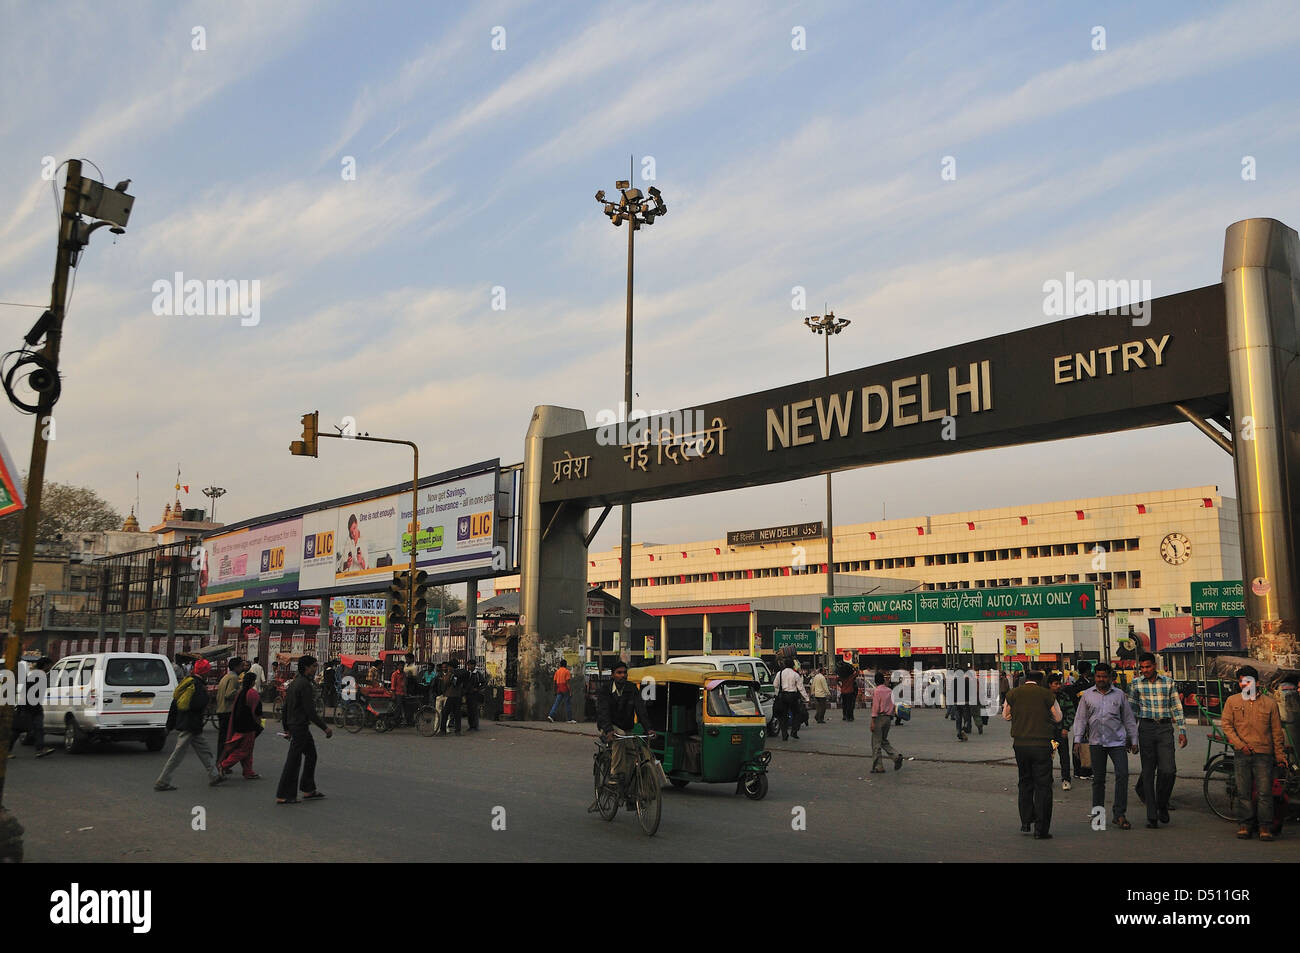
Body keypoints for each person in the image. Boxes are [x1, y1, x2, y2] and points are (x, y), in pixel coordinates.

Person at [1221, 665, 1287, 841]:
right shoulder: (1232, 702)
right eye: (1241, 681)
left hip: (1264, 754)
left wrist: (1280, 756)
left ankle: (1265, 827)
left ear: (1257, 683)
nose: (1244, 684)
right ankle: (1245, 825)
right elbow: (1227, 726)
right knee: (1243, 791)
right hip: (1242, 753)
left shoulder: (1270, 704)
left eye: (1248, 681)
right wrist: (1240, 745)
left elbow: (1276, 732)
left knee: (1265, 793)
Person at [1073, 662, 1138, 829]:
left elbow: (1129, 719)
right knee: (1098, 780)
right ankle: (1098, 816)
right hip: (1096, 743)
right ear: (1095, 677)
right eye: (1098, 676)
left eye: (1104, 676)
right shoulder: (1087, 695)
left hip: (1117, 742)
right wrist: (1077, 740)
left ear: (1110, 677)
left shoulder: (1120, 695)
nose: (1101, 679)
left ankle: (1119, 814)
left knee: (1122, 775)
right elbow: (1080, 719)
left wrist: (1134, 740)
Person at [1127, 652, 1187, 828]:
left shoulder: (1168, 682)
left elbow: (1177, 707)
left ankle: (1162, 804)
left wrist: (1182, 730)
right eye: (1142, 667)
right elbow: (1132, 711)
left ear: (1154, 666)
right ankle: (1151, 815)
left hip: (1165, 728)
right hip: (1145, 729)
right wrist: (1131, 737)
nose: (1145, 670)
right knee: (1147, 771)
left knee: (1168, 770)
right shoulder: (1136, 684)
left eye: (1148, 667)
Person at [1003, 670, 1062, 839]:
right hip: (1042, 745)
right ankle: (1041, 829)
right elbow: (1058, 717)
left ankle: (1026, 821)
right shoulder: (1046, 694)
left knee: (1025, 781)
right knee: (1043, 786)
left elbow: (1006, 716)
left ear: (1025, 680)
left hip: (1020, 745)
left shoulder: (1013, 693)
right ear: (1041, 680)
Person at [155, 659, 225, 791]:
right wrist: (206, 698)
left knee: (205, 752)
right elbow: (198, 705)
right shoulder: (198, 686)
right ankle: (163, 780)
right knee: (177, 755)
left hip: (189, 724)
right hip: (190, 725)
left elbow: (174, 704)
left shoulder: (187, 682)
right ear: (205, 672)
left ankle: (215, 775)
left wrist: (169, 725)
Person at [276, 655, 332, 804]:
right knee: (293, 760)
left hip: (296, 725)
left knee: (311, 755)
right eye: (313, 666)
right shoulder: (304, 685)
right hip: (300, 726)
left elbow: (285, 707)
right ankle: (284, 794)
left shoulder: (295, 683)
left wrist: (286, 727)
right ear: (306, 667)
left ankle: (308, 789)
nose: (315, 669)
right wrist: (325, 728)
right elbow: (310, 711)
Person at [594, 659, 656, 788]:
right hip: (609, 726)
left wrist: (648, 729)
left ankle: (629, 789)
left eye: (624, 672)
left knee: (634, 753)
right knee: (619, 736)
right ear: (612, 675)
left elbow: (641, 710)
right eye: (619, 673)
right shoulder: (605, 690)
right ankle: (615, 774)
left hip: (627, 726)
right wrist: (608, 729)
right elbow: (603, 711)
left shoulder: (632, 688)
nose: (623, 675)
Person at [218, 671, 263, 780]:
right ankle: (223, 765)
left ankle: (248, 771)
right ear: (253, 682)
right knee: (244, 750)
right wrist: (259, 723)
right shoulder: (252, 693)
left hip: (238, 724)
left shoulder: (241, 692)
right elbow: (257, 711)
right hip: (248, 725)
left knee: (246, 749)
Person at [12, 657, 54, 758]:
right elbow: (26, 693)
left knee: (38, 728)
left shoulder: (39, 675)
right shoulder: (37, 676)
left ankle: (40, 749)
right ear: (45, 665)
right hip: (29, 707)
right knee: (19, 729)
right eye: (50, 665)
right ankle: (5, 750)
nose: (51, 667)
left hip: (33, 707)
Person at [870, 671, 904, 773]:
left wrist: (872, 720)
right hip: (888, 718)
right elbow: (893, 705)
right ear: (884, 680)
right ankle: (896, 756)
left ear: (876, 682)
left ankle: (878, 766)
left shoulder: (877, 691)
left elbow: (875, 707)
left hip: (879, 718)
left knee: (876, 743)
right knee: (883, 740)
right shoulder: (889, 691)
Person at [1066, 661, 1095, 780]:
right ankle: (1083, 770)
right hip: (1084, 717)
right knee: (1082, 743)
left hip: (1082, 717)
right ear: (1087, 670)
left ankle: (1080, 770)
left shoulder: (1080, 684)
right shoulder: (1084, 685)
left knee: (1080, 741)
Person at [1047, 672, 1075, 790]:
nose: (1058, 686)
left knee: (1064, 757)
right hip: (1048, 733)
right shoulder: (1045, 697)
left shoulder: (1064, 696)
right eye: (1055, 684)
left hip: (1061, 732)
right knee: (1048, 757)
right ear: (1049, 685)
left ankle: (1066, 779)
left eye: (1059, 683)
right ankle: (1048, 779)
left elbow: (1071, 712)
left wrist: (1066, 727)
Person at [215, 657, 244, 757]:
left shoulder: (226, 677)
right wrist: (240, 691)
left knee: (223, 738)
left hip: (221, 709)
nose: (242, 668)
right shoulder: (234, 678)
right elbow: (229, 694)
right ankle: (223, 762)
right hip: (227, 711)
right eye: (241, 666)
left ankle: (221, 760)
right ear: (236, 667)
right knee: (227, 738)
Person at [773, 658, 807, 741]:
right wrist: (806, 697)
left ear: (784, 665)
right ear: (793, 665)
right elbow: (801, 687)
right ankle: (794, 731)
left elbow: (775, 685)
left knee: (783, 716)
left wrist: (777, 695)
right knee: (797, 714)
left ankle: (784, 735)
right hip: (793, 696)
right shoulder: (795, 675)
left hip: (783, 696)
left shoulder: (780, 673)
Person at [440, 658, 466, 735]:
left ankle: (442, 730)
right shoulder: (459, 673)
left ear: (450, 666)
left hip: (450, 695)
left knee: (445, 713)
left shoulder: (450, 673)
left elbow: (446, 683)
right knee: (457, 714)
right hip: (458, 695)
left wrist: (445, 677)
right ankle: (458, 731)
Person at [548, 659, 575, 723]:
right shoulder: (567, 671)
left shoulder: (557, 671)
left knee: (556, 703)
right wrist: (570, 691)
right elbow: (567, 683)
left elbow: (554, 682)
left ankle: (551, 715)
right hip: (565, 689)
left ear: (560, 664)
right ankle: (569, 719)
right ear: (565, 665)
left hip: (559, 689)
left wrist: (555, 690)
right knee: (568, 704)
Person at [465, 659, 487, 730]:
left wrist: (478, 689)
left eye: (470, 665)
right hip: (468, 694)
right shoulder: (467, 674)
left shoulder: (478, 674)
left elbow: (484, 683)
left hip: (475, 694)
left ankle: (475, 725)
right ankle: (471, 725)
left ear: (474, 665)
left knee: (474, 710)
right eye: (468, 665)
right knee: (469, 710)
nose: (468, 667)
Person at [389, 661, 408, 726]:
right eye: (400, 666)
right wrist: (393, 694)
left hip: (403, 693)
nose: (402, 667)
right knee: (398, 707)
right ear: (398, 666)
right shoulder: (395, 674)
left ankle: (400, 720)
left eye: (403, 666)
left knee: (404, 707)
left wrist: (405, 693)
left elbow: (405, 684)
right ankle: (394, 720)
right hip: (397, 693)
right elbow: (393, 685)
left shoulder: (404, 674)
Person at [433, 662, 450, 734]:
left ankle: (446, 727)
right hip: (439, 695)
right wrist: (436, 694)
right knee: (438, 712)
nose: (444, 668)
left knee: (447, 713)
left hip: (447, 695)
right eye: (443, 667)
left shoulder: (450, 675)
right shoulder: (438, 676)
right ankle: (437, 728)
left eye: (446, 667)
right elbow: (434, 685)